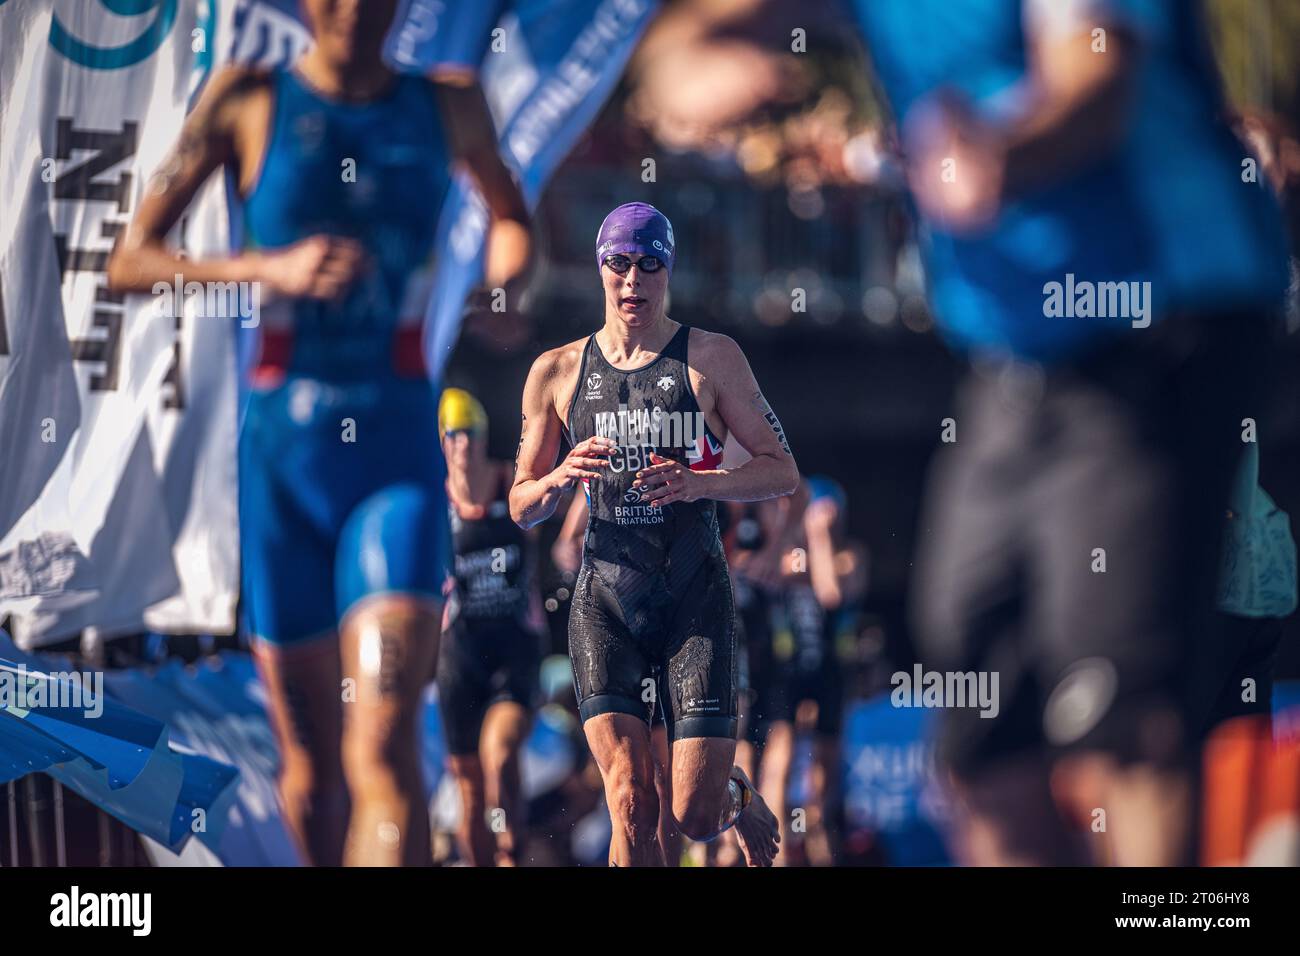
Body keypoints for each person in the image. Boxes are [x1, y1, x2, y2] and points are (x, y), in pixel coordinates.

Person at [846, 0, 1291, 864]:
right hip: (1008, 361)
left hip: (1163, 325)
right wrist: (693, 54)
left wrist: (1003, 156)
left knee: (1120, 721)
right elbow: (716, 27)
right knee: (979, 742)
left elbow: (1094, 70)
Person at [107, 0, 531, 865]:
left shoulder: (451, 103)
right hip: (282, 467)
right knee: (311, 771)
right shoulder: (247, 100)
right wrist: (263, 267)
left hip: (395, 455)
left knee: (379, 743)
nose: (352, 11)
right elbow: (132, 257)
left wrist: (504, 285)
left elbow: (516, 221)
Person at [510, 202, 797, 865]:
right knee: (633, 804)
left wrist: (703, 482)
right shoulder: (555, 372)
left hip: (694, 598)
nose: (632, 282)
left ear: (667, 270)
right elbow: (520, 504)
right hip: (605, 602)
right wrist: (556, 479)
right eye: (619, 264)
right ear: (600, 268)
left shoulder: (711, 358)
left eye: (649, 265)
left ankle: (733, 789)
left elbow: (780, 471)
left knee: (692, 816)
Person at [437, 388, 545, 866]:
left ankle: (513, 853)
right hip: (458, 661)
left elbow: (556, 502)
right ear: (442, 443)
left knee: (500, 756)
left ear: (483, 439)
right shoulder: (433, 503)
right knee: (470, 795)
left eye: (470, 435)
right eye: (453, 436)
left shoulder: (512, 485)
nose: (462, 446)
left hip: (513, 651)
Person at [760, 477, 866, 866]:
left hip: (830, 670)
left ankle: (824, 852)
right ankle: (780, 856)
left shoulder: (848, 556)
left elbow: (832, 593)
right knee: (780, 761)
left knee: (825, 778)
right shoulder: (783, 556)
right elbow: (769, 572)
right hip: (788, 669)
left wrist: (820, 538)